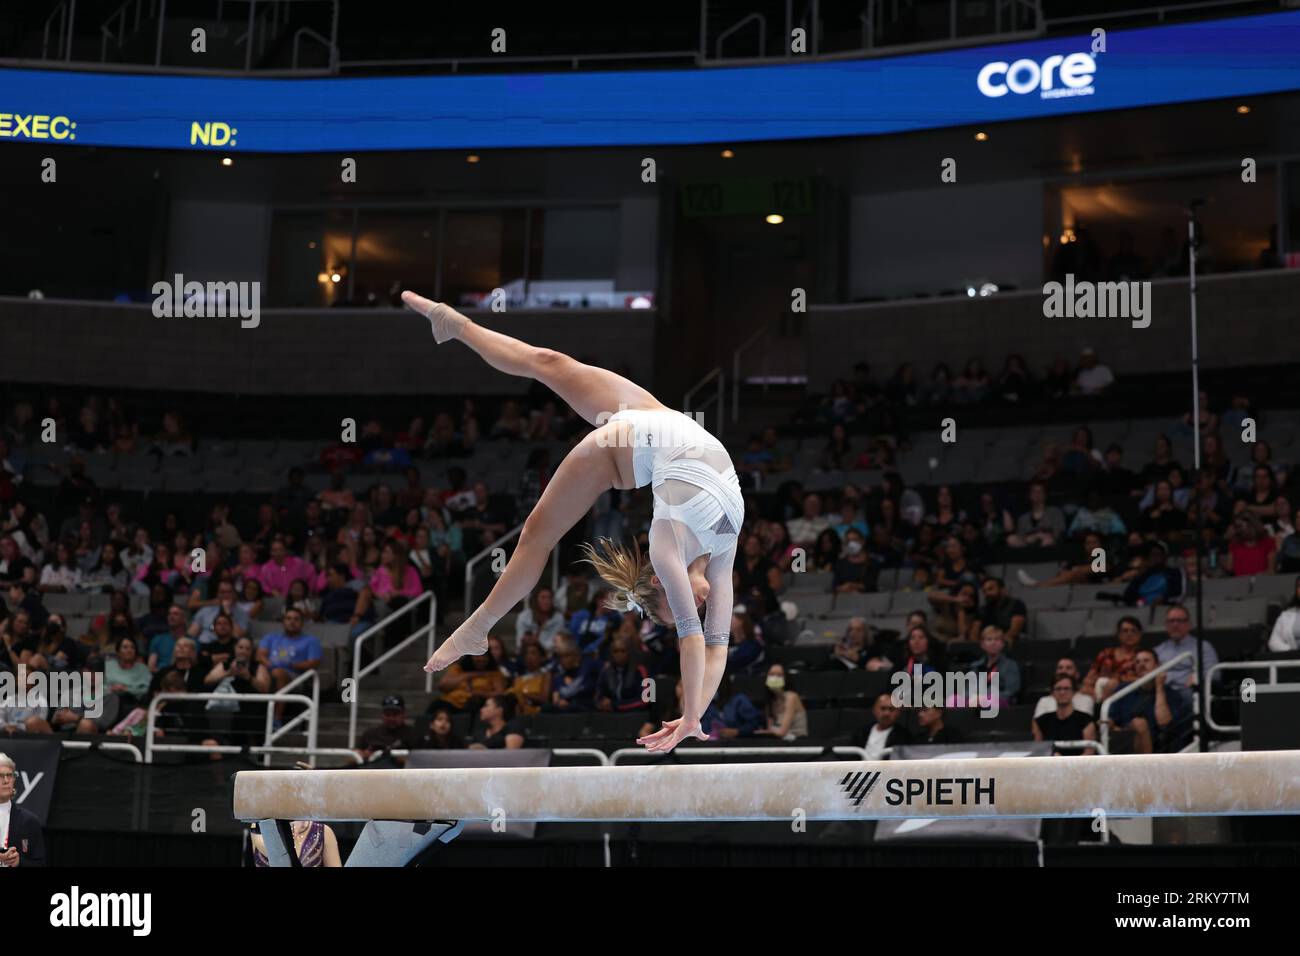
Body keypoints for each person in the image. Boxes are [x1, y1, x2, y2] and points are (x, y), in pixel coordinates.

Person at [404, 292, 743, 755]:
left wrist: (690, 717)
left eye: (681, 605)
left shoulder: (666, 547)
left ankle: (477, 626)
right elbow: (709, 644)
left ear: (660, 585)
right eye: (692, 607)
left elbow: (700, 641)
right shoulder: (722, 554)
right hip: (656, 421)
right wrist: (693, 715)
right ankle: (457, 325)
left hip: (620, 446)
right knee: (548, 360)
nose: (699, 607)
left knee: (536, 536)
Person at [1153, 605, 1218, 693]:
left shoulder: (1203, 647)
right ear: (1166, 625)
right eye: (1171, 621)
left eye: (1180, 621)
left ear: (1189, 624)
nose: (1175, 625)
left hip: (1190, 692)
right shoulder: (1158, 650)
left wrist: (1197, 677)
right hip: (1163, 692)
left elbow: (1215, 674)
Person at [0, 753, 45, 866]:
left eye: (9, 775)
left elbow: (40, 864)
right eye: (0, 776)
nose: (6, 780)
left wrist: (19, 862)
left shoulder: (29, 821)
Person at [1032, 675, 1097, 753]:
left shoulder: (1086, 720)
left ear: (1073, 692)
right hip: (1051, 763)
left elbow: (1089, 752)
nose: (1062, 692)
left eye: (1066, 689)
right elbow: (1038, 750)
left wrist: (1069, 764)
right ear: (1052, 693)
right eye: (1058, 689)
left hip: (1079, 764)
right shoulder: (1042, 721)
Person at [752, 664, 807, 740]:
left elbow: (782, 732)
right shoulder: (770, 701)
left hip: (799, 741)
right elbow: (771, 729)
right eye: (771, 674)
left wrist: (768, 732)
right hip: (780, 742)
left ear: (785, 678)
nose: (774, 678)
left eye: (779, 675)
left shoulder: (791, 697)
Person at [358, 695, 422, 758]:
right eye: (387, 714)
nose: (391, 718)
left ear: (403, 714)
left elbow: (420, 758)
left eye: (395, 714)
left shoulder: (413, 735)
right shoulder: (370, 734)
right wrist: (364, 755)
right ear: (382, 715)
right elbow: (356, 753)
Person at [856, 692, 911, 758]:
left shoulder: (904, 736)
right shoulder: (861, 732)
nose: (886, 713)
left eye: (891, 709)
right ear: (874, 710)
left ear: (898, 712)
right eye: (883, 708)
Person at [1267, 575, 1300, 652]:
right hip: (1294, 660)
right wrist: (1290, 651)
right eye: (1299, 586)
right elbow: (1273, 642)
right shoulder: (1285, 615)